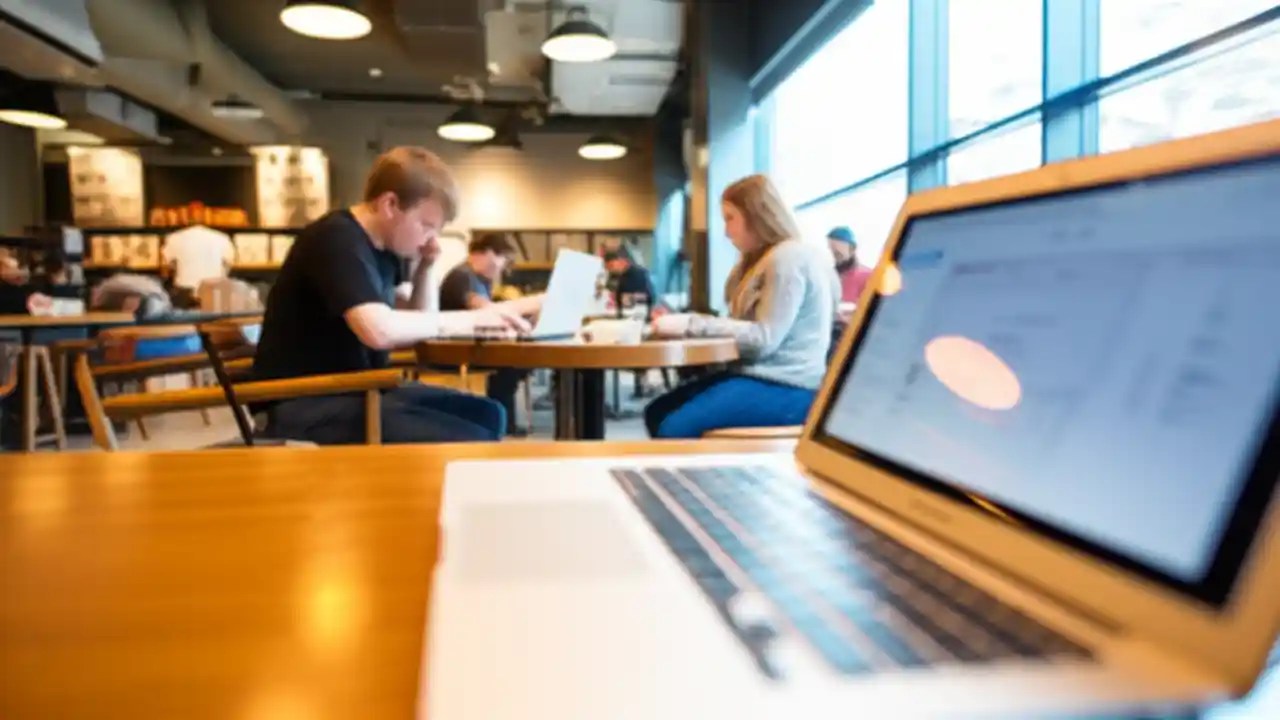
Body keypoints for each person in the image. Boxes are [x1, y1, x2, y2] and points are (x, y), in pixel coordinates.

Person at [253, 146, 529, 445]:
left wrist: (425, 267)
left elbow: (418, 323)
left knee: (489, 415)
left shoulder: (385, 250)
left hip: (359, 389)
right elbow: (378, 330)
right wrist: (471, 320)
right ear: (389, 204)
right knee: (470, 437)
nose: (431, 238)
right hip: (300, 403)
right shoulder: (336, 239)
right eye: (426, 225)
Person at [644, 174, 839, 438]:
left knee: (672, 428)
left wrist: (691, 324)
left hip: (788, 386)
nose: (726, 231)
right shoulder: (774, 259)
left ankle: (696, 478)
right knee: (656, 412)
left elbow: (763, 339)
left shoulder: (787, 258)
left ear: (756, 214)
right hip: (766, 378)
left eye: (730, 218)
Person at [438, 232, 541, 435]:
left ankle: (504, 422)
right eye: (505, 260)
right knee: (512, 364)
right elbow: (484, 309)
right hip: (457, 350)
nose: (503, 267)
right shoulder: (462, 276)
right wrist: (533, 304)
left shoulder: (477, 279)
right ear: (489, 253)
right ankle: (503, 423)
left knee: (515, 363)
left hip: (471, 345)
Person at [827, 226, 873, 305]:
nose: (834, 256)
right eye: (832, 251)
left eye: (838, 253)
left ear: (852, 248)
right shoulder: (829, 277)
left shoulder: (867, 276)